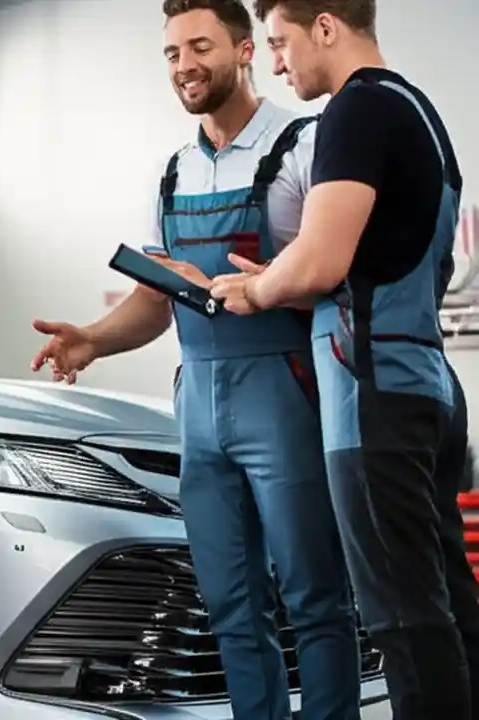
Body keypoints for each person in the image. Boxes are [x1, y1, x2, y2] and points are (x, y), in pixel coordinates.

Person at [29, 1, 362, 718]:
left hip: (286, 393)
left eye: (200, 47)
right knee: (230, 603)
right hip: (200, 412)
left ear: (246, 50)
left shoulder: (305, 145)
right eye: (172, 53)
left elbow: (332, 269)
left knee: (314, 597)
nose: (184, 65)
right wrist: (91, 338)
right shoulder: (171, 174)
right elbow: (157, 300)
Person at [208, 0, 479, 716]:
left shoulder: (355, 111)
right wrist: (271, 284)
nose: (273, 62)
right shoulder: (415, 109)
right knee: (448, 603)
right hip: (423, 381)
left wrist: (259, 289)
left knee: (401, 615)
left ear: (326, 25)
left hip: (373, 395)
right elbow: (376, 267)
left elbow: (322, 260)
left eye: (279, 42)